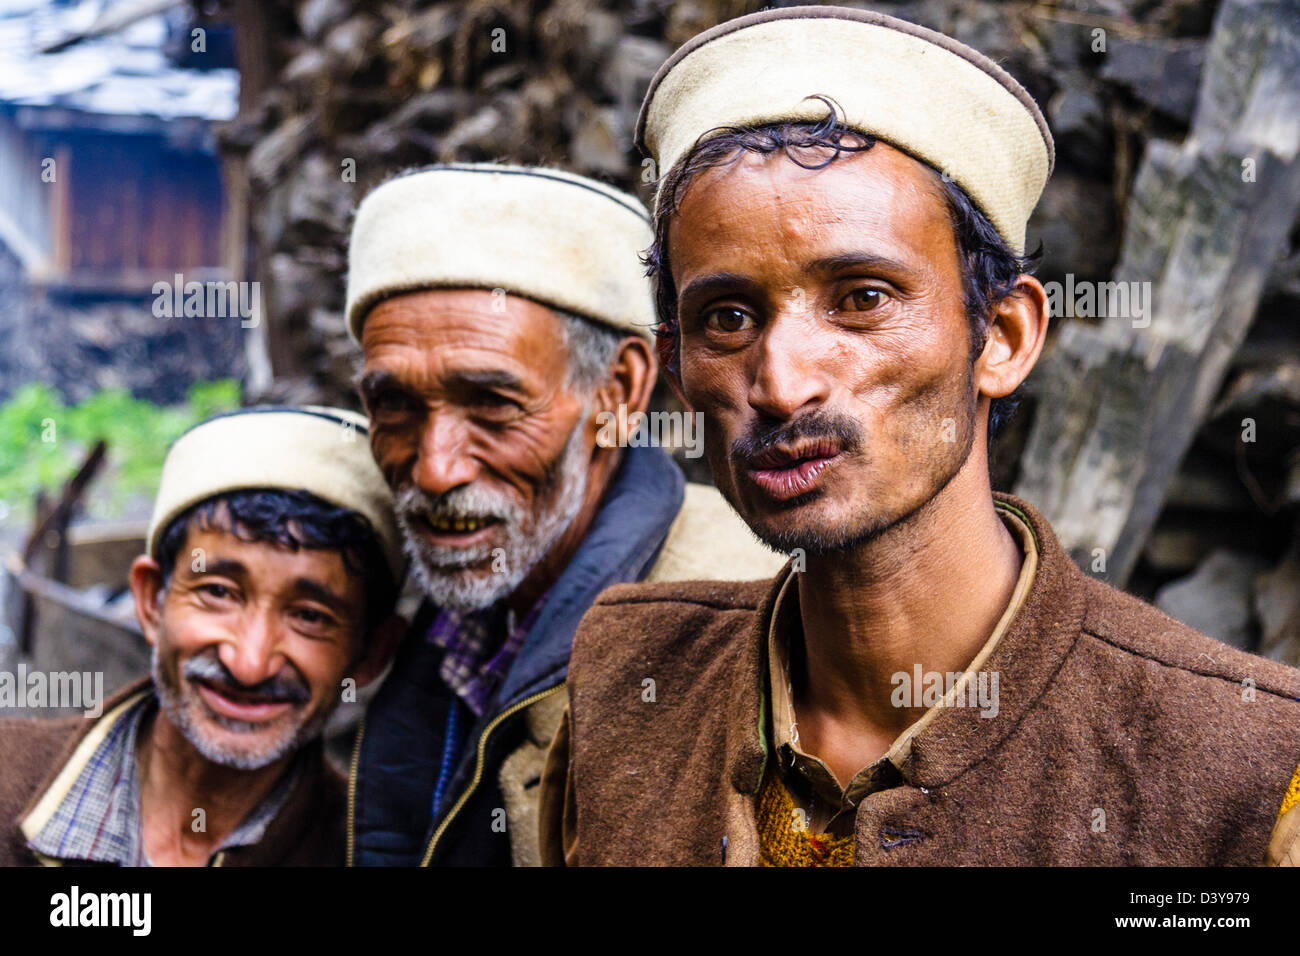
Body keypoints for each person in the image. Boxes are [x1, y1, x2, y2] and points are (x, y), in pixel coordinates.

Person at [539, 6, 1300, 866]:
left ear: (1003, 338)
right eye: (727, 316)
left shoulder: (1252, 766)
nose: (784, 384)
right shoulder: (630, 676)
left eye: (863, 299)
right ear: (677, 366)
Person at [344, 163, 784, 865]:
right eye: (394, 404)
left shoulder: (736, 626)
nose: (434, 468)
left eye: (492, 405)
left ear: (619, 391)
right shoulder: (436, 609)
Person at [0, 406, 404, 866]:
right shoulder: (6, 780)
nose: (249, 662)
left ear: (372, 652)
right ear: (152, 600)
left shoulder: (369, 857)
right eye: (218, 592)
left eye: (310, 617)